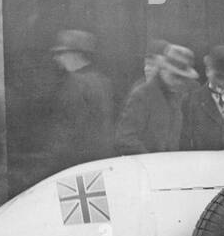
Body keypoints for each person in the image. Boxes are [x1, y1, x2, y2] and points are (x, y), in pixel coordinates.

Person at [46, 29, 115, 172]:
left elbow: (67, 130)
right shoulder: (103, 81)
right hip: (101, 161)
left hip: (75, 164)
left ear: (77, 54)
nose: (57, 58)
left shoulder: (74, 83)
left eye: (61, 53)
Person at [116, 44, 197, 155]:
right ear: (163, 69)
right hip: (147, 167)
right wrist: (153, 163)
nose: (179, 82)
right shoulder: (142, 95)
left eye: (183, 78)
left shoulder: (178, 95)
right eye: (175, 76)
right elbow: (126, 139)